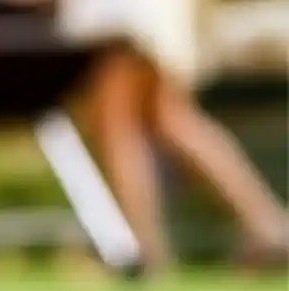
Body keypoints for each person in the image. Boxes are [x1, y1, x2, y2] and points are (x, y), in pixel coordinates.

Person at [61, 0, 289, 272]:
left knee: (117, 124)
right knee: (169, 119)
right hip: (149, 16)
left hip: (122, 17)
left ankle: (141, 249)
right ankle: (267, 225)